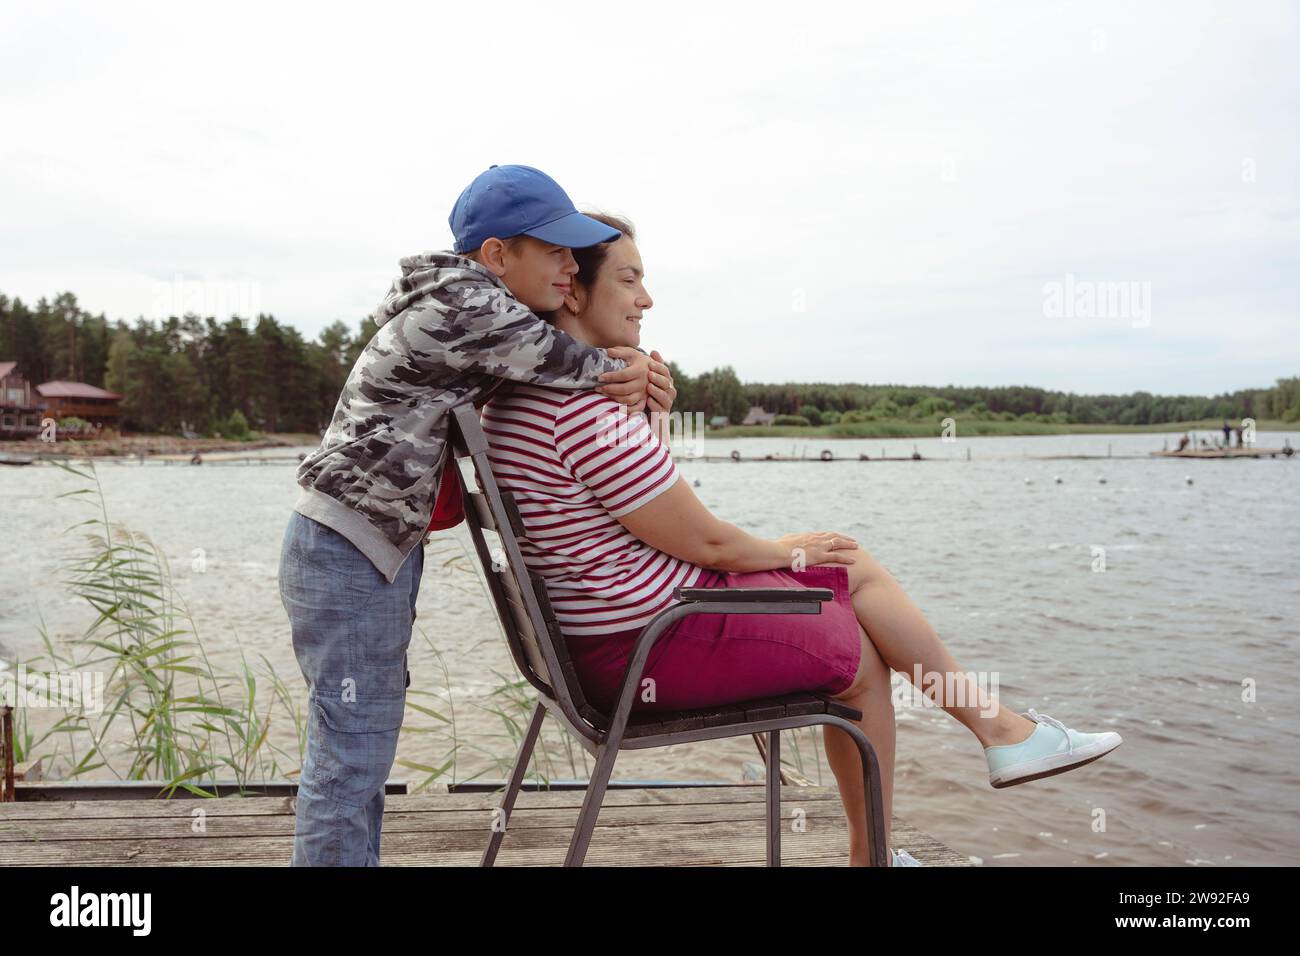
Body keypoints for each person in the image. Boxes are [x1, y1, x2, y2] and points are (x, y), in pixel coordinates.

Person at [480, 213, 1123, 868]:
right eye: (630, 279)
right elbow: (708, 545)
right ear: (575, 291)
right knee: (861, 659)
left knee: (847, 563)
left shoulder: (520, 398)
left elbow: (645, 517)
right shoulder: (581, 411)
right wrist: (787, 551)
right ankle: (906, 823)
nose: (646, 299)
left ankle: (993, 737)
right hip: (645, 644)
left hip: (616, 632)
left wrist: (652, 416)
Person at [279, 166, 665, 866]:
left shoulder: (464, 305)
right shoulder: (470, 308)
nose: (570, 267)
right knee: (350, 750)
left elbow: (568, 366)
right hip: (348, 547)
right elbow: (578, 363)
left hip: (354, 545)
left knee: (357, 741)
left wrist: (633, 369)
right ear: (496, 255)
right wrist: (631, 366)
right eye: (554, 251)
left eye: (575, 255)